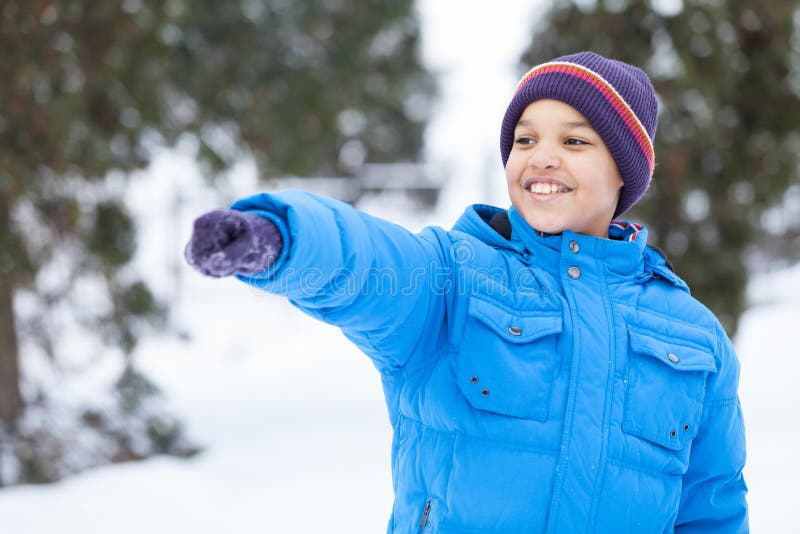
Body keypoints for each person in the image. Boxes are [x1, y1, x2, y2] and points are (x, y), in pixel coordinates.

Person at [184, 51, 748, 533]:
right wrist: (283, 238)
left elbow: (711, 508)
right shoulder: (455, 280)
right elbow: (366, 260)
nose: (542, 155)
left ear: (625, 171)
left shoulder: (692, 335)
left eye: (575, 140)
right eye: (525, 139)